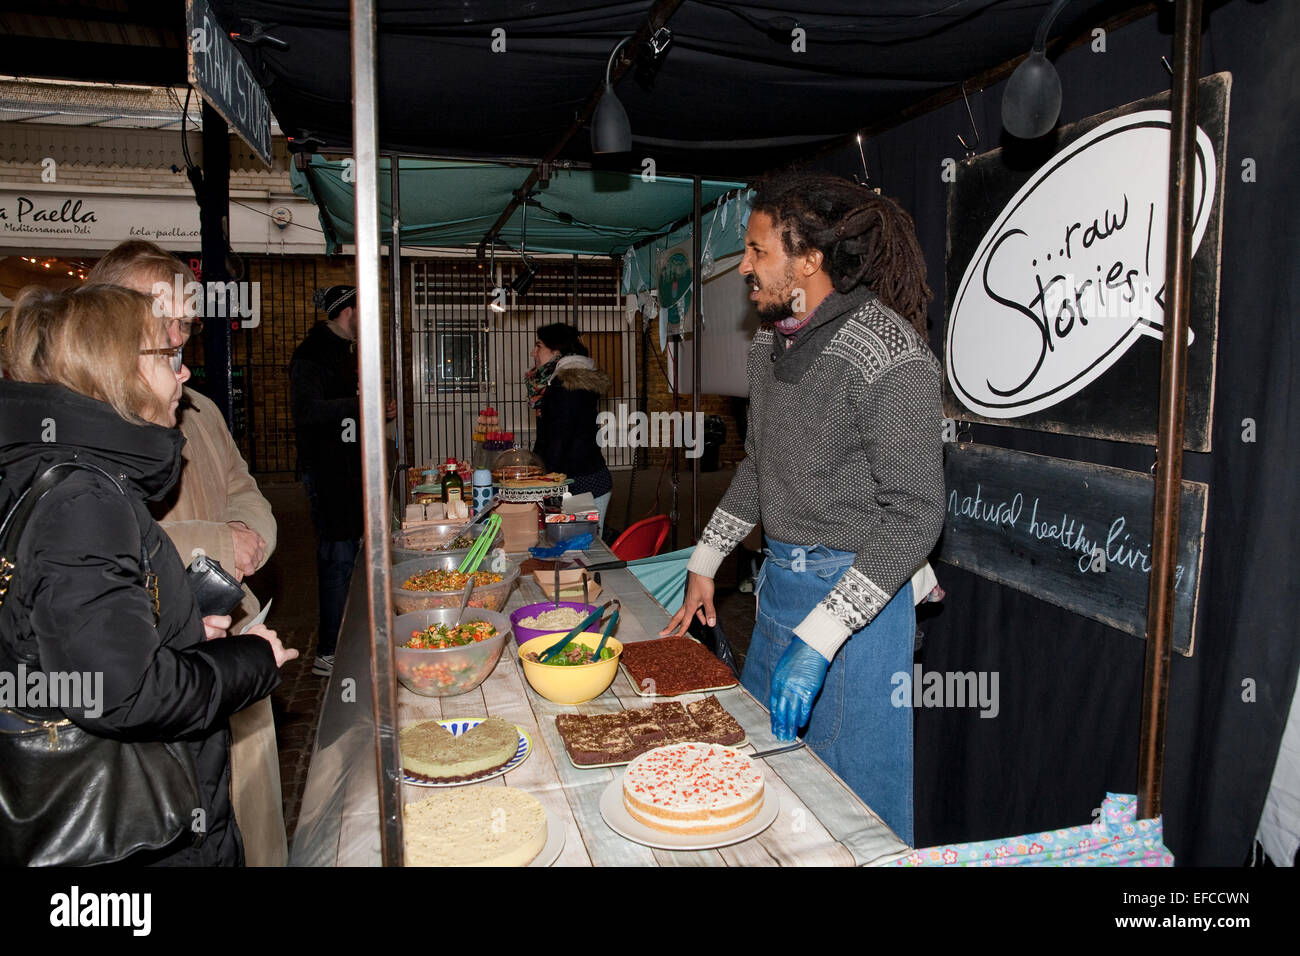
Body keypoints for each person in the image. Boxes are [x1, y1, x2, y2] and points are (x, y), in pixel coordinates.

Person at [661, 172, 945, 846]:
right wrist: (707, 559)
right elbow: (761, 467)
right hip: (780, 588)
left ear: (810, 261)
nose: (745, 268)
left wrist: (820, 640)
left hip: (859, 602)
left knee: (857, 816)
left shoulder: (892, 355)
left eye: (759, 252)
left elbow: (915, 516)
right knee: (774, 787)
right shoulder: (769, 345)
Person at [0, 283, 295, 865]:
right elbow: (123, 692)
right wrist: (250, 662)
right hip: (129, 835)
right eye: (169, 356)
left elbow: (65, 635)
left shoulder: (60, 474)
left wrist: (177, 624)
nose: (183, 374)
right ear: (121, 370)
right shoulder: (83, 499)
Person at [86, 240, 288, 867]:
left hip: (230, 633)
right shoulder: (89, 419)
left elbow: (244, 486)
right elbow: (104, 543)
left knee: (247, 812)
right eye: (165, 317)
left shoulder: (196, 407)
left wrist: (249, 539)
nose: (181, 335)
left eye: (186, 320)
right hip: (158, 667)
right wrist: (222, 541)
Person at [290, 285, 395, 676]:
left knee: (353, 559)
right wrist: (361, 402)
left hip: (351, 472)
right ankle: (329, 650)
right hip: (328, 473)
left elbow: (347, 412)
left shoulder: (347, 353)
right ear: (347, 311)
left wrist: (377, 413)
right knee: (337, 559)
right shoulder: (311, 356)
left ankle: (350, 641)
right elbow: (307, 412)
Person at [527, 323, 614, 537]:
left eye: (538, 346)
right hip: (578, 482)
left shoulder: (565, 387)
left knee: (579, 550)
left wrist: (540, 482)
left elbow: (557, 441)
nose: (533, 353)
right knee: (573, 548)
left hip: (579, 486)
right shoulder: (565, 382)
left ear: (556, 351)